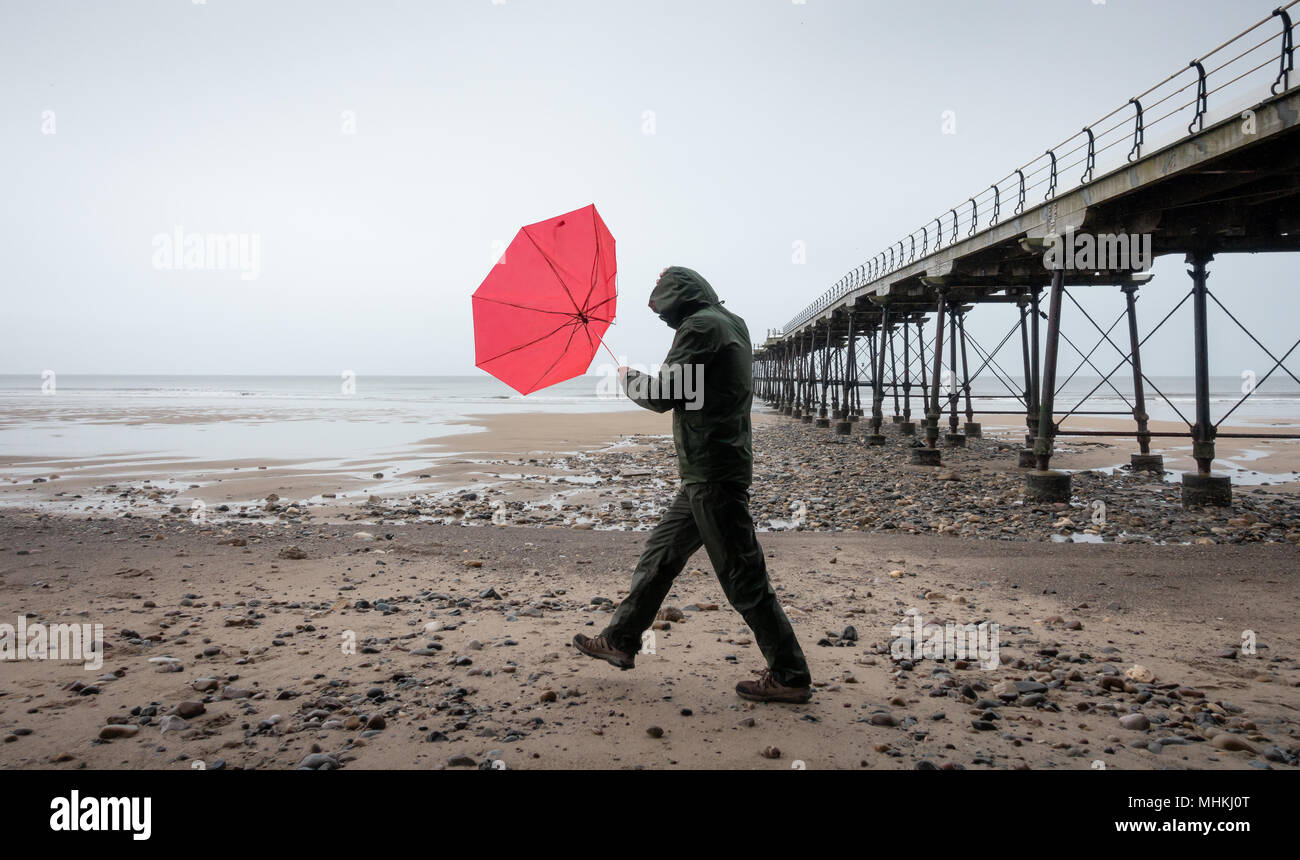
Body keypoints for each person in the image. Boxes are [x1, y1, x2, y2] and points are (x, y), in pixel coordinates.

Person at [573, 266, 813, 703]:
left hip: (712, 472)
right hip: (709, 469)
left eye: (663, 308)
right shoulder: (729, 322)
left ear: (677, 300)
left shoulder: (700, 327)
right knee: (661, 556)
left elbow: (666, 394)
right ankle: (621, 639)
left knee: (744, 577)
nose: (665, 319)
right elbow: (696, 388)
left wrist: (628, 378)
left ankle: (790, 675)